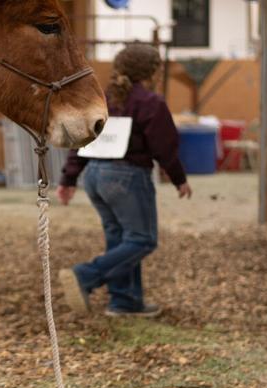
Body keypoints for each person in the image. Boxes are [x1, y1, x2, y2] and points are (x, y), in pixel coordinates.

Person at [58, 42, 193, 318]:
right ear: (151, 72)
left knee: (119, 239)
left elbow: (83, 138)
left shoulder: (100, 99)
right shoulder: (150, 102)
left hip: (94, 176)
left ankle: (124, 301)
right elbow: (164, 146)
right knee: (143, 240)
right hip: (127, 177)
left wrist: (69, 179)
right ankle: (85, 275)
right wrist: (178, 178)